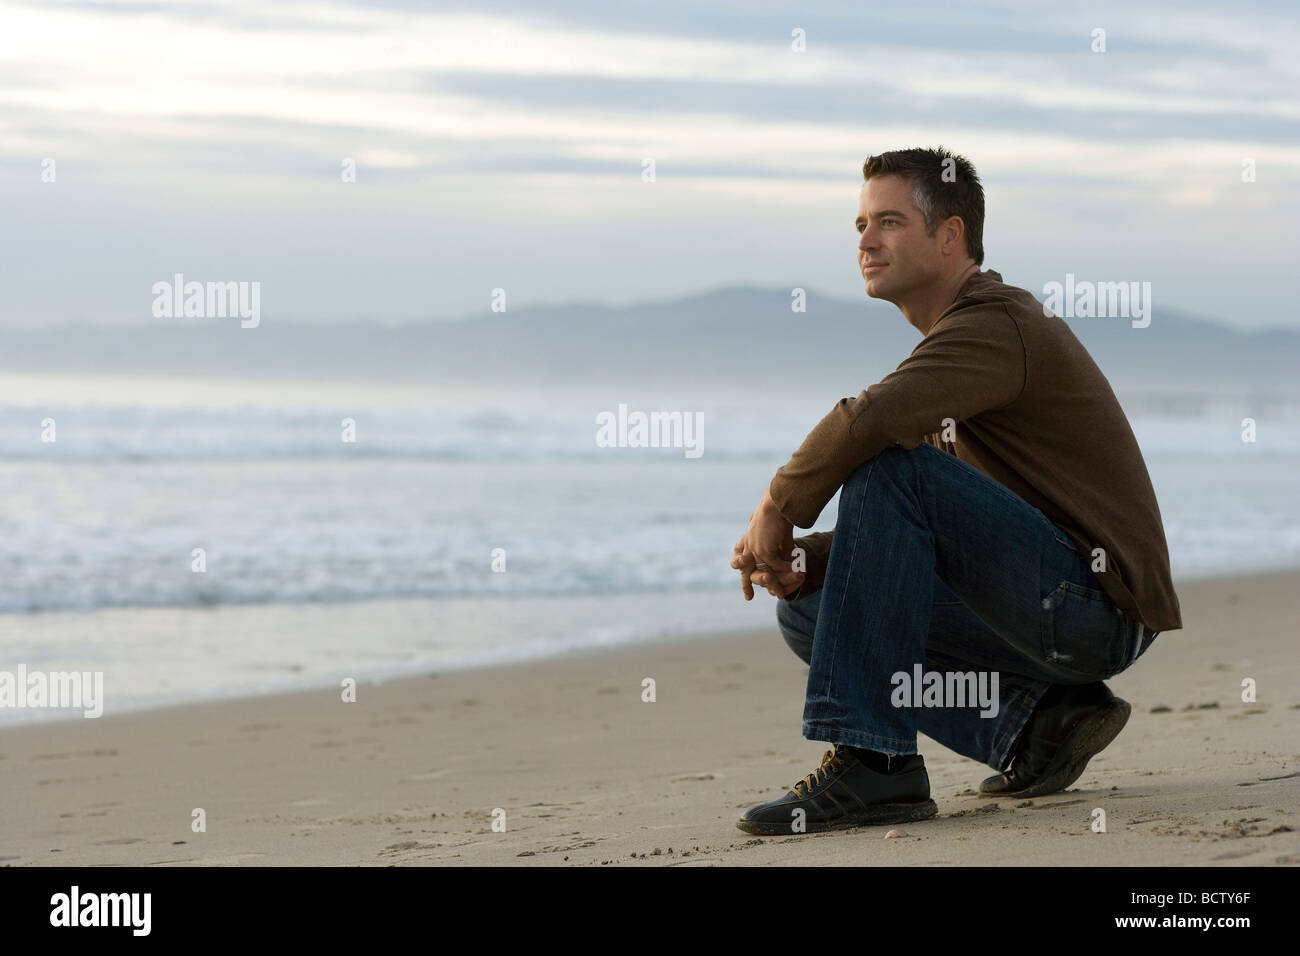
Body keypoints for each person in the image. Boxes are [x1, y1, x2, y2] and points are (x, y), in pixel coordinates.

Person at [730, 147, 1181, 836]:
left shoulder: (997, 324)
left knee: (890, 462)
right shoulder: (951, 349)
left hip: (1095, 608)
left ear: (950, 236)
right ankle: (1039, 724)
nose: (865, 240)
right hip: (1046, 607)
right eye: (859, 224)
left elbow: (871, 422)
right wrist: (808, 560)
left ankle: (875, 765)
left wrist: (776, 508)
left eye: (888, 221)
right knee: (809, 607)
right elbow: (932, 522)